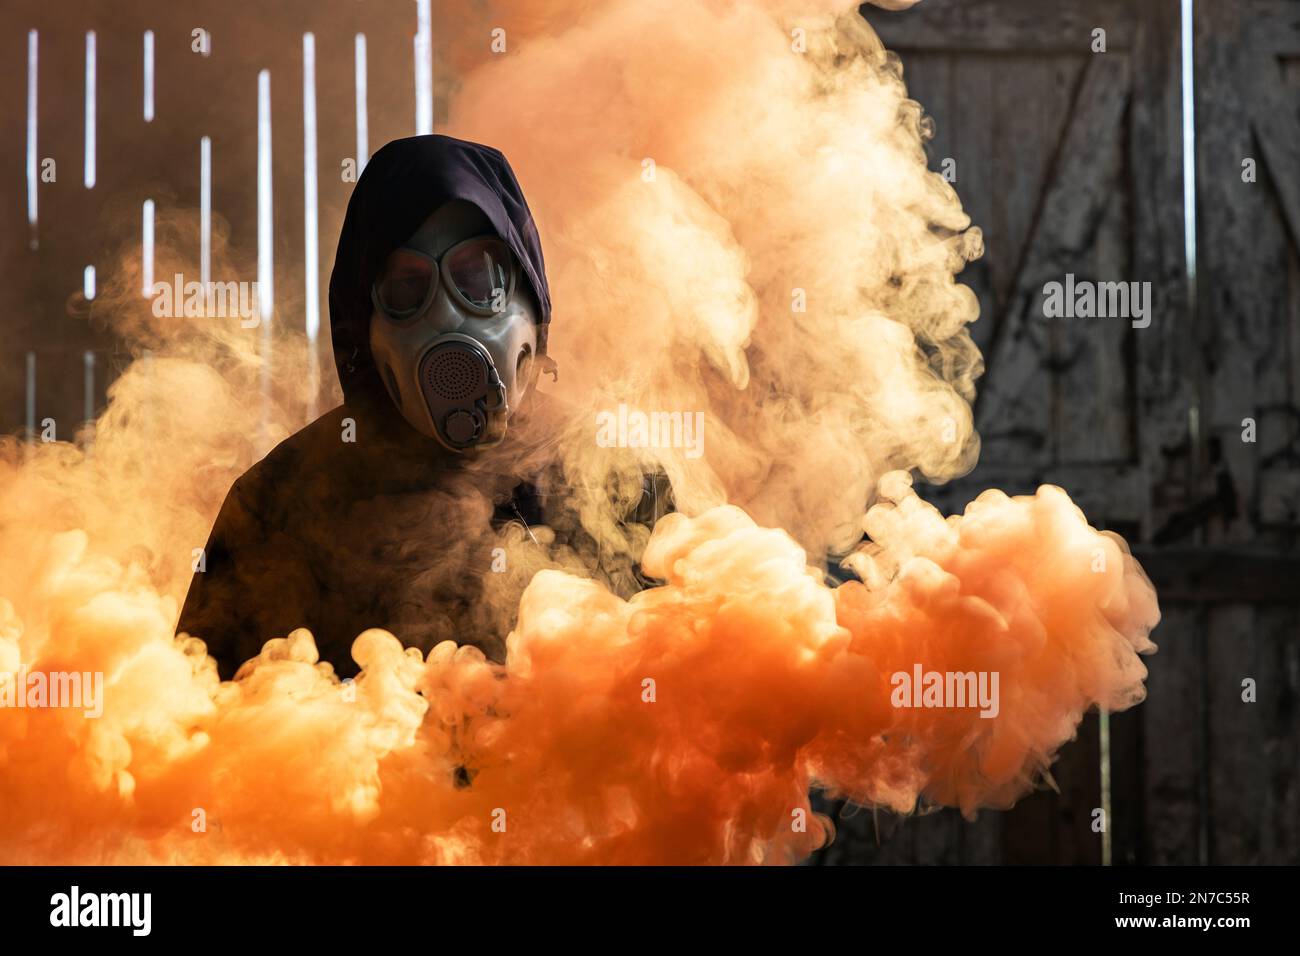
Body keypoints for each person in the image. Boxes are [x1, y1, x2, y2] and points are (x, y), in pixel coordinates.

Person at [178, 134, 588, 681]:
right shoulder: (278, 504)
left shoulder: (609, 479)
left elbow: (693, 700)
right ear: (364, 328)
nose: (447, 317)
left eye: (477, 277)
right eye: (407, 287)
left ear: (529, 292)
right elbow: (208, 724)